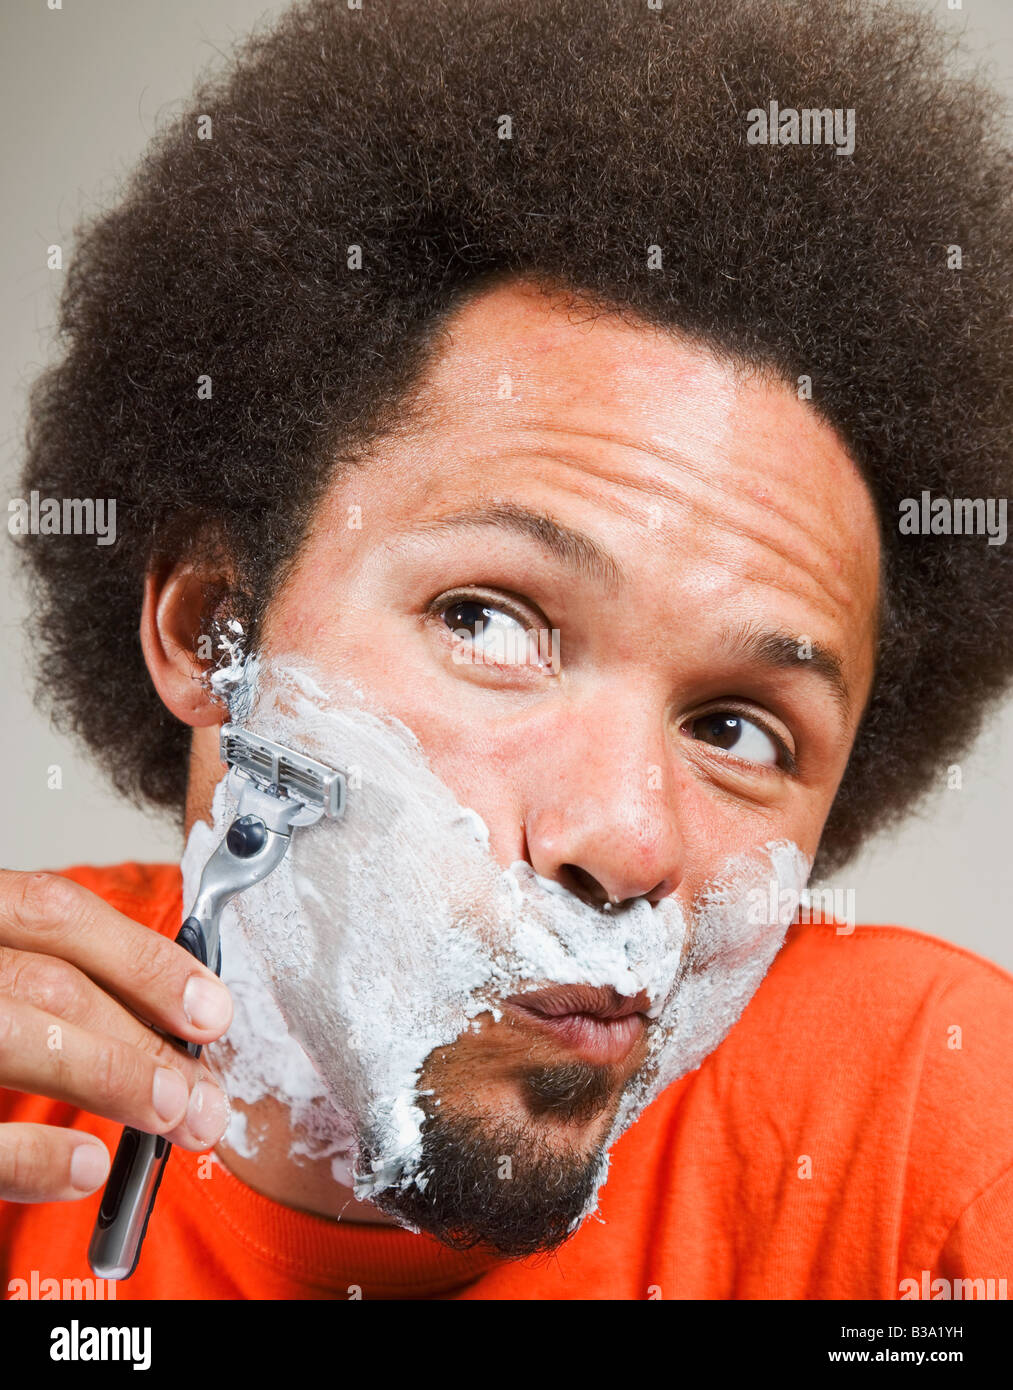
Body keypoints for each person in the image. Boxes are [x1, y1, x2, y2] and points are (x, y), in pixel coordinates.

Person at [2, 0, 1012, 1300]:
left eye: (734, 727)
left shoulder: (929, 1140)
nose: (626, 845)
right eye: (486, 620)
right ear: (214, 627)